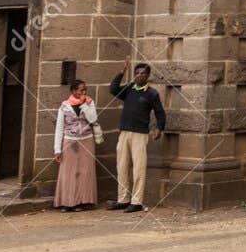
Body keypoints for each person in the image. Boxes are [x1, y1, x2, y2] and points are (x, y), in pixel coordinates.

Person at [108, 61, 166, 213]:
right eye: (137, 73)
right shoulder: (129, 89)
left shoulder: (152, 93)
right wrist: (122, 72)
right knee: (121, 167)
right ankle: (123, 199)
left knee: (138, 169)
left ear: (148, 76)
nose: (139, 76)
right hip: (124, 132)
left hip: (140, 134)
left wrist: (159, 128)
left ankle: (137, 201)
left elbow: (160, 112)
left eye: (143, 73)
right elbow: (113, 89)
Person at [53, 79, 101, 212]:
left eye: (85, 90)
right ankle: (67, 202)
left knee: (85, 172)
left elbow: (93, 119)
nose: (84, 92)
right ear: (73, 91)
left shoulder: (90, 102)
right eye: (81, 90)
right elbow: (59, 128)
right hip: (70, 141)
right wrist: (57, 149)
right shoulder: (64, 106)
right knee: (69, 172)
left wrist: (84, 104)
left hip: (86, 139)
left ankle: (82, 201)